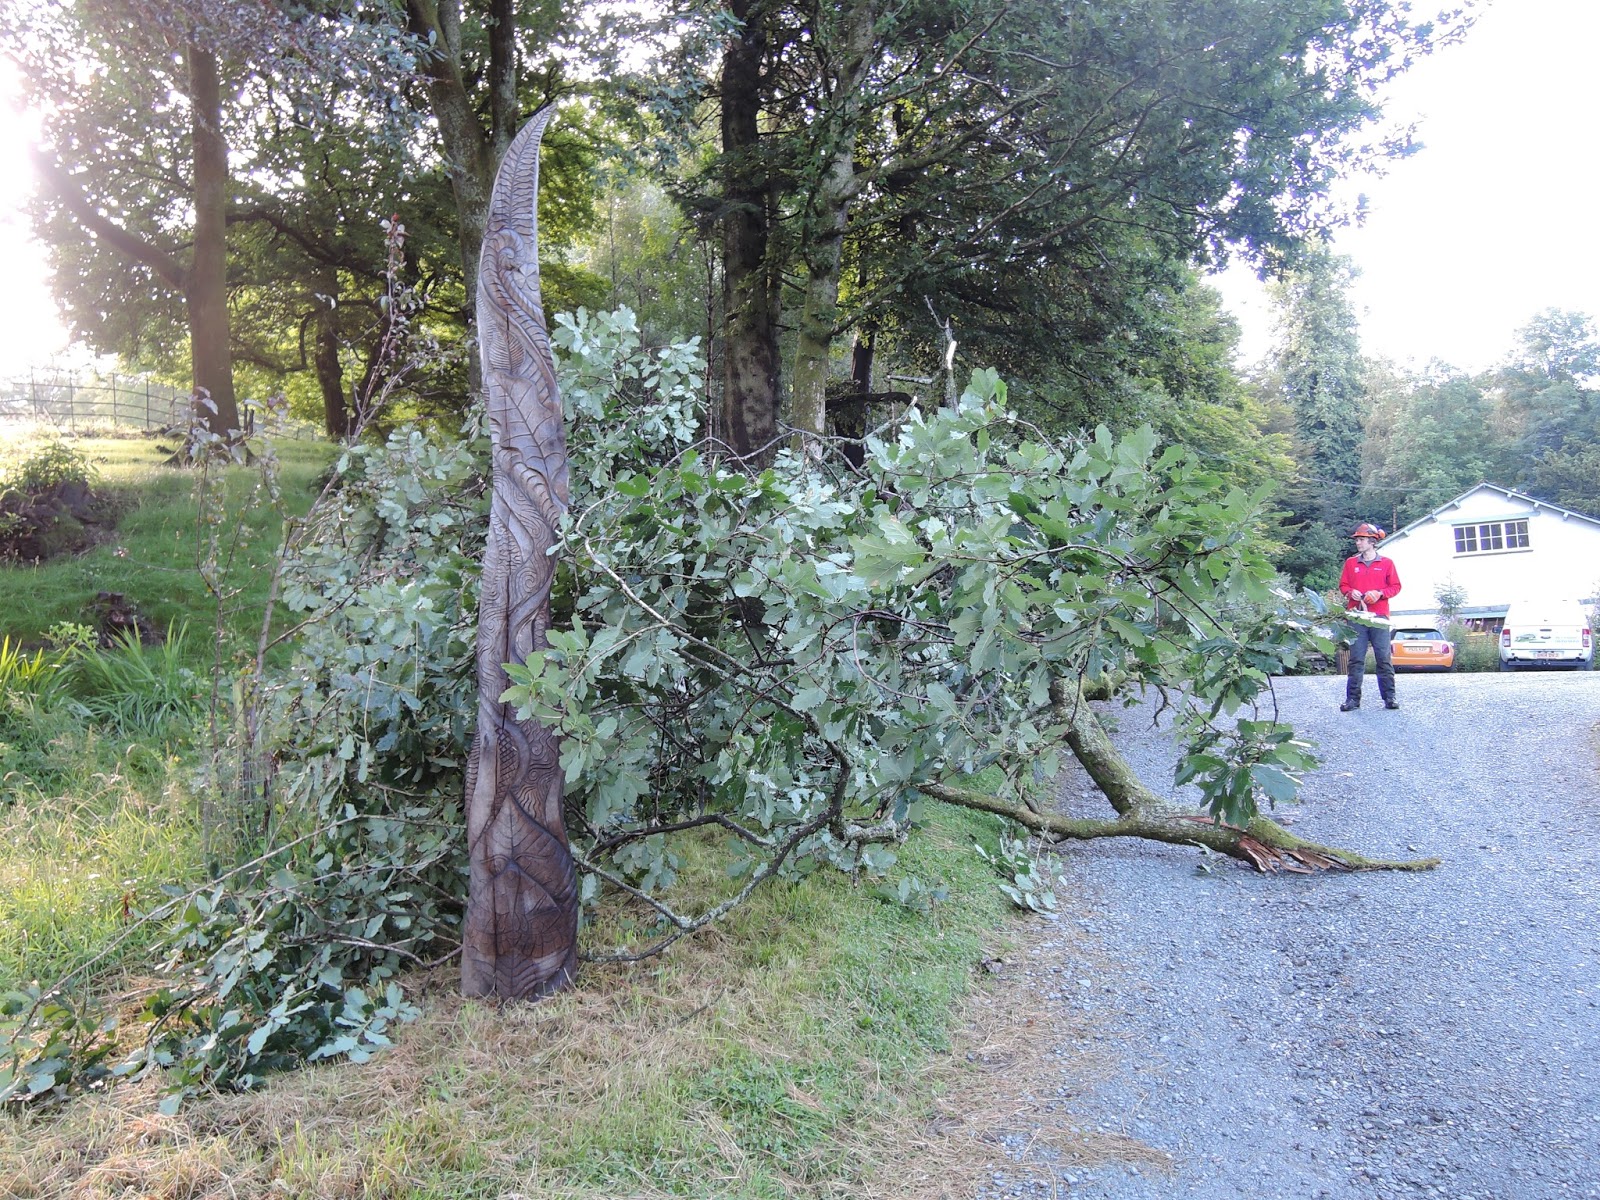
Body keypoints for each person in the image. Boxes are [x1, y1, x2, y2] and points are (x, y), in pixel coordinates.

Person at [1338, 522, 1402, 711]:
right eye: (1357, 539)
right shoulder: (1350, 563)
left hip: (1380, 617)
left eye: (1362, 539)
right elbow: (1343, 586)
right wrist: (1351, 593)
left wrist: (1380, 594)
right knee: (1356, 659)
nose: (1358, 542)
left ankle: (1390, 698)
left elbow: (1396, 587)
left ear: (1372, 541)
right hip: (1356, 617)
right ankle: (1352, 700)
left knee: (1383, 658)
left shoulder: (1387, 563)